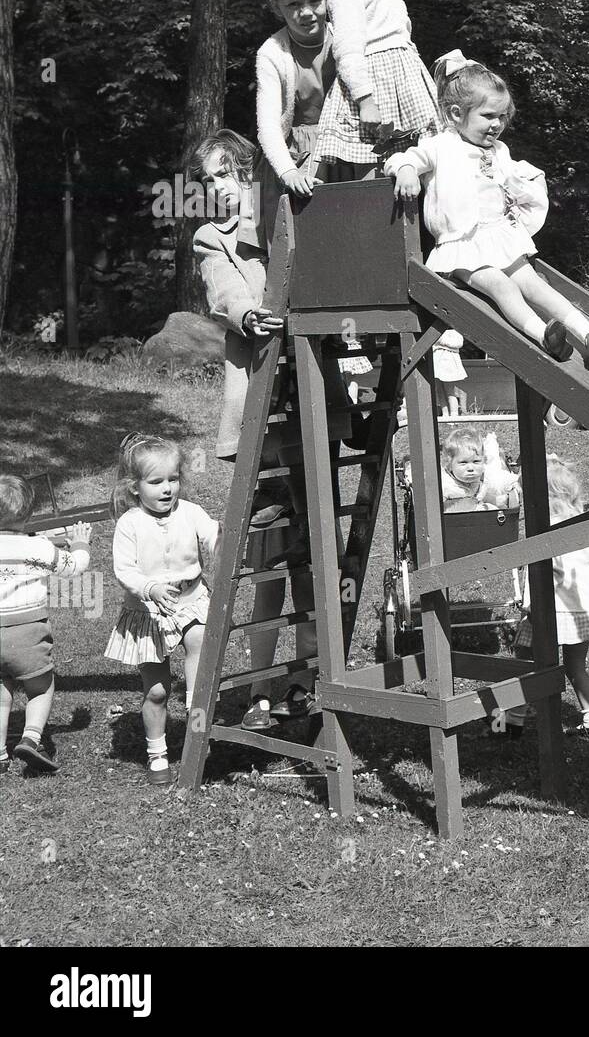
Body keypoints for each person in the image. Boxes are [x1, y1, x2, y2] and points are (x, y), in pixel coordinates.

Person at [189, 130, 352, 732]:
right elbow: (225, 291)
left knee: (314, 560)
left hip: (309, 402)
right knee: (265, 563)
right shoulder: (214, 238)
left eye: (229, 176)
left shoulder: (288, 219)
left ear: (253, 174)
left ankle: (309, 679)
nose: (219, 190)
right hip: (263, 413)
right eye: (210, 182)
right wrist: (246, 314)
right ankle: (259, 687)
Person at [385, 50, 589, 365]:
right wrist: (407, 171)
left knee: (535, 284)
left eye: (502, 116)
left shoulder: (499, 150)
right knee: (501, 285)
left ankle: (587, 333)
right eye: (488, 116)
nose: (497, 124)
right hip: (461, 249)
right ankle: (543, 335)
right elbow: (401, 158)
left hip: (500, 240)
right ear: (454, 115)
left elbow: (511, 185)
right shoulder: (440, 147)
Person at [104, 435, 221, 785]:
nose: (167, 488)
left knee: (199, 636)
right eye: (156, 482)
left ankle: (196, 717)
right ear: (135, 487)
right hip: (148, 612)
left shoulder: (191, 513)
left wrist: (227, 540)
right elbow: (124, 570)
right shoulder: (130, 524)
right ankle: (157, 753)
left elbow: (215, 538)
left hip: (190, 599)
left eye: (173, 479)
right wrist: (149, 587)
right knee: (156, 691)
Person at [313, 0, 442, 179]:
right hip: (376, 91)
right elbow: (348, 50)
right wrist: (366, 100)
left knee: (421, 159)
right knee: (374, 166)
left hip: (404, 91)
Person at [506, 455, 589, 738]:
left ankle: (513, 720)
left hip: (548, 609)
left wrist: (529, 605)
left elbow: (539, 571)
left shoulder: (542, 528)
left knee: (526, 664)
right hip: (581, 609)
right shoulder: (582, 525)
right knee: (576, 666)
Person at [0, 475, 92, 775]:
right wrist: (80, 544)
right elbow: (74, 567)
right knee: (40, 686)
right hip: (28, 630)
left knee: (1, 693)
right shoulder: (38, 546)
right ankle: (32, 738)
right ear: (28, 515)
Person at [246, 0, 334, 247]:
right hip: (294, 157)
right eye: (294, 4)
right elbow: (268, 125)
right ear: (278, 7)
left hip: (341, 150)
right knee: (298, 250)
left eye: (314, 1)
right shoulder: (273, 53)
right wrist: (288, 170)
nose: (306, 12)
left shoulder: (346, 40)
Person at [438, 427, 520, 510]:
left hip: (478, 517)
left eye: (476, 461)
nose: (470, 468)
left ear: (483, 461)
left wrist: (514, 484)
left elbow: (497, 481)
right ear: (449, 465)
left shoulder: (482, 477)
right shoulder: (445, 485)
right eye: (463, 462)